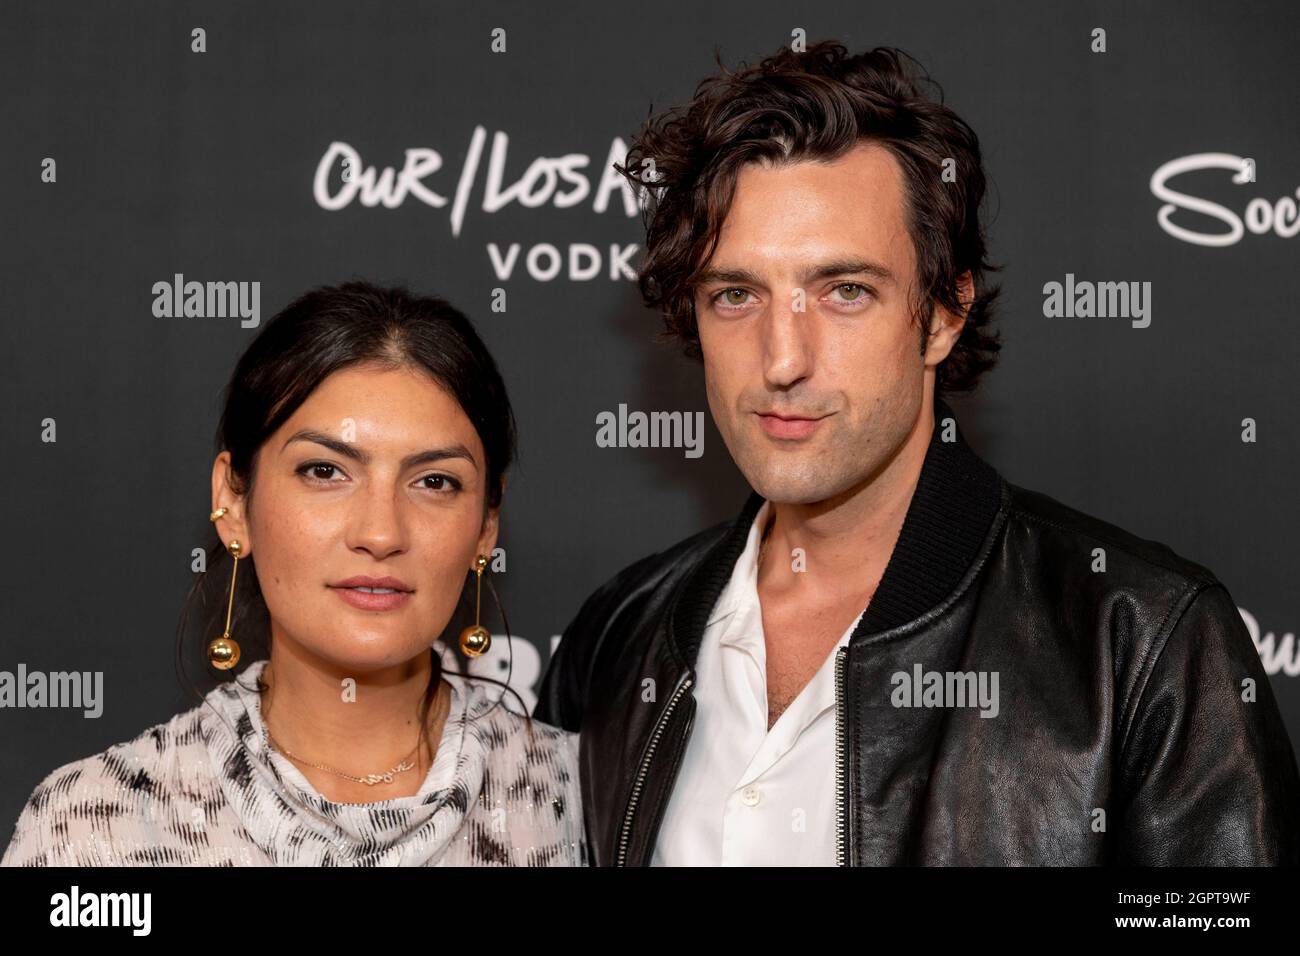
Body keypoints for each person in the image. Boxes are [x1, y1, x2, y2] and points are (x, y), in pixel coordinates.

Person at [533, 41, 1300, 866]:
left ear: (941, 315)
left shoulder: (1142, 644)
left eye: (845, 291)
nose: (782, 358)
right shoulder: (618, 638)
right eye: (736, 295)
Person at [2, 281, 585, 867]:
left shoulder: (584, 805)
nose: (381, 534)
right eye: (325, 471)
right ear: (232, 502)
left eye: (435, 481)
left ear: (487, 525)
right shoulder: (94, 828)